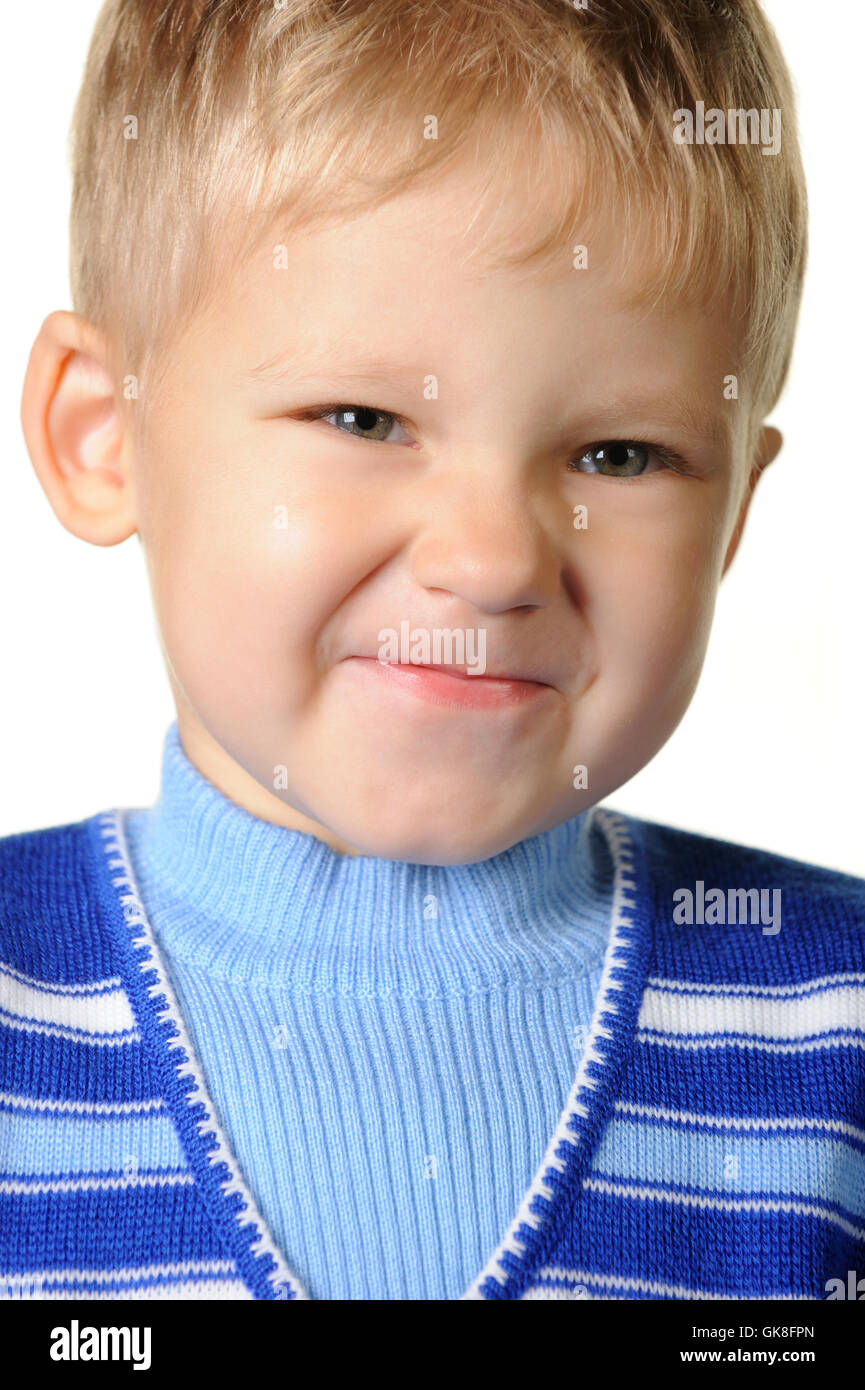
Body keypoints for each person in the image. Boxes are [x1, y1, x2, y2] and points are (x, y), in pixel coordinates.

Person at [2, 0, 863, 1301]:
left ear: (733, 508)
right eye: (363, 417)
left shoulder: (832, 1029)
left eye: (619, 454)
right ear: (100, 436)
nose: (496, 557)